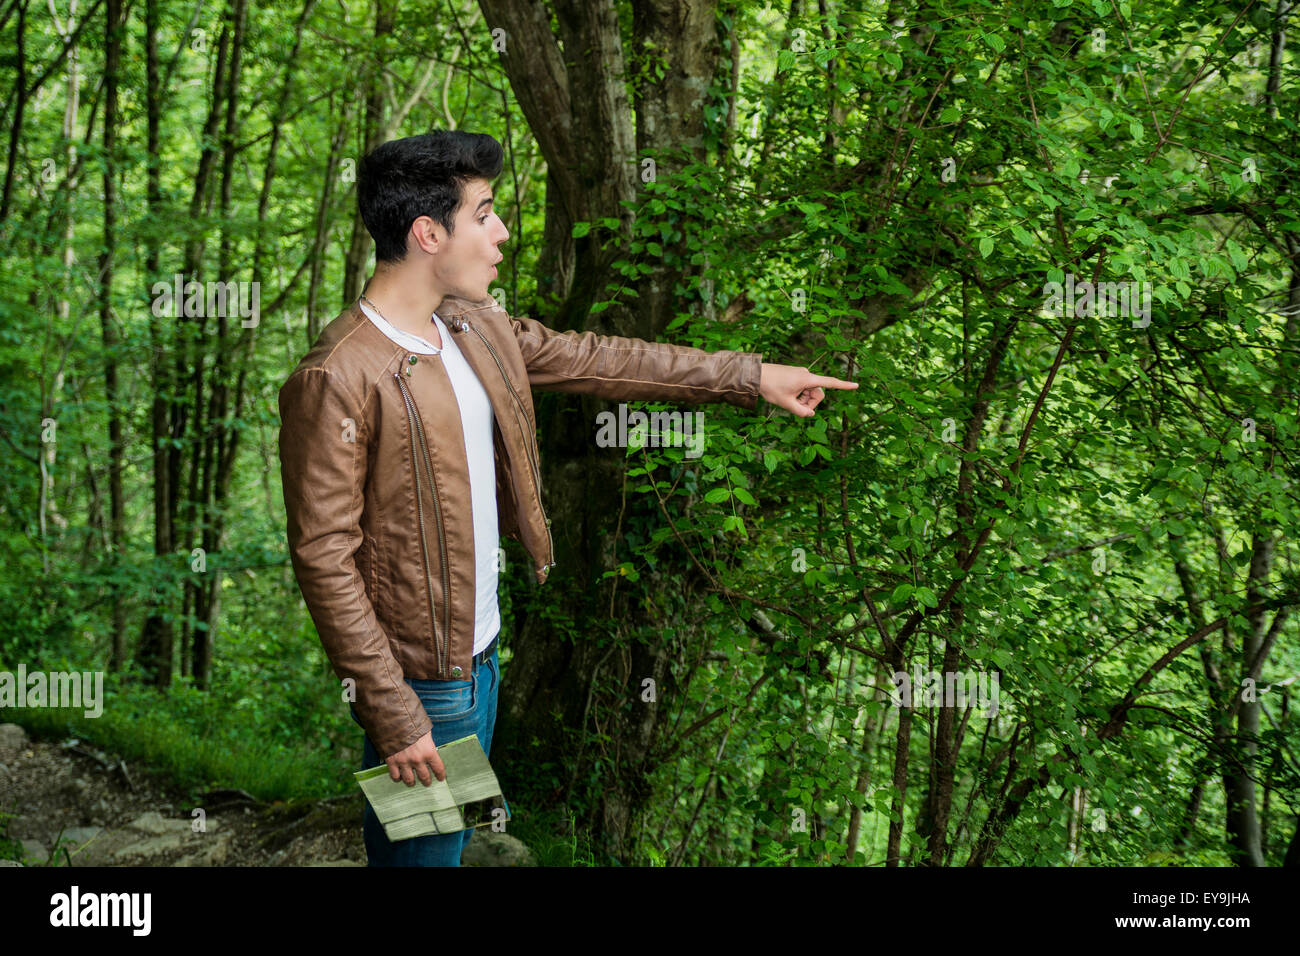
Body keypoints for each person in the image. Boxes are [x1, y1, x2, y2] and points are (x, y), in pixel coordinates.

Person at [277, 130, 857, 866]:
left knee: (444, 849)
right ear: (428, 234)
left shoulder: (473, 326)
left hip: (483, 658)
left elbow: (603, 358)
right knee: (420, 861)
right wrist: (393, 715)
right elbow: (325, 560)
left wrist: (752, 376)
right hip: (423, 682)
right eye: (483, 213)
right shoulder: (337, 377)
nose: (501, 233)